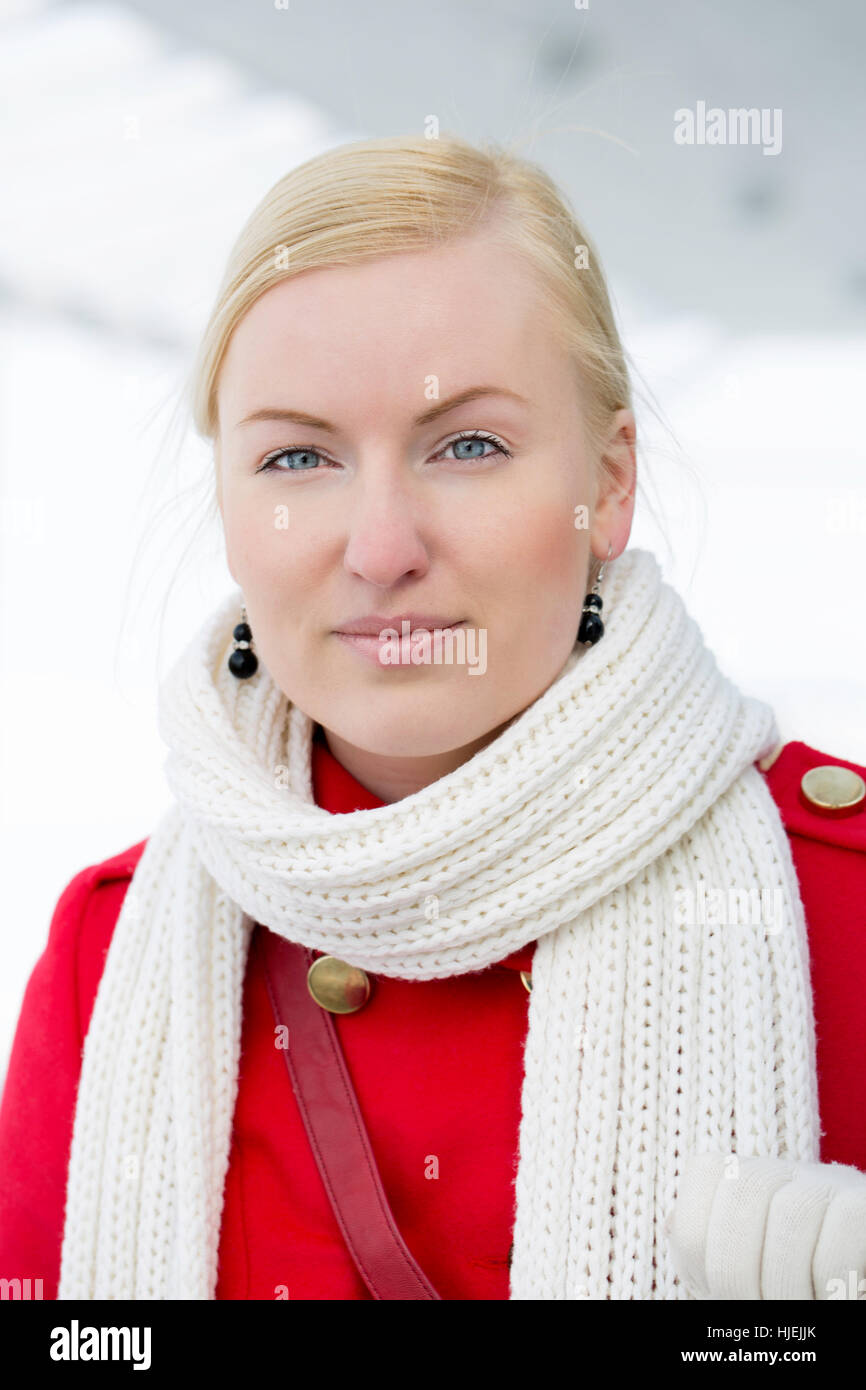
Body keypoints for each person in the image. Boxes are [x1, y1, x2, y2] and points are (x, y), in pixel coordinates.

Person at [1, 133, 864, 1302]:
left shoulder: (838, 906)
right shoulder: (110, 960)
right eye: (298, 457)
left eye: (467, 446)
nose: (381, 550)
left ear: (606, 483)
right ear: (229, 507)